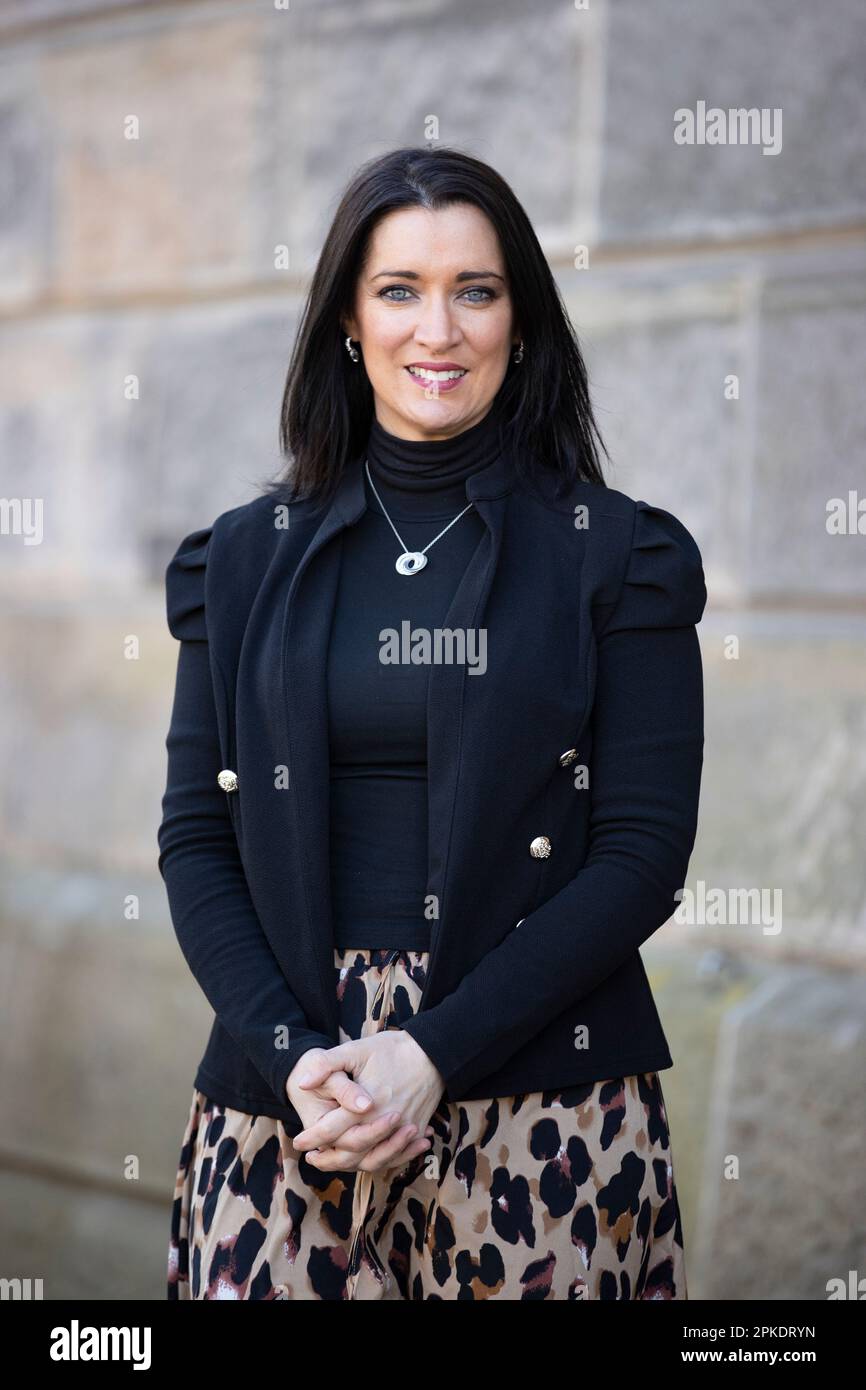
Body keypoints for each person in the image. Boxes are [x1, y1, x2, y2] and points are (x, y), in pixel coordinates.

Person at [160, 145, 706, 1300]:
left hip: (541, 1091)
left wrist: (433, 1053)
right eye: (399, 290)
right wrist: (296, 1056)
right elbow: (194, 839)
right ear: (348, 325)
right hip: (291, 1100)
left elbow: (642, 852)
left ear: (520, 319)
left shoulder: (619, 557)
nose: (437, 329)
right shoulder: (240, 561)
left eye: (476, 289)